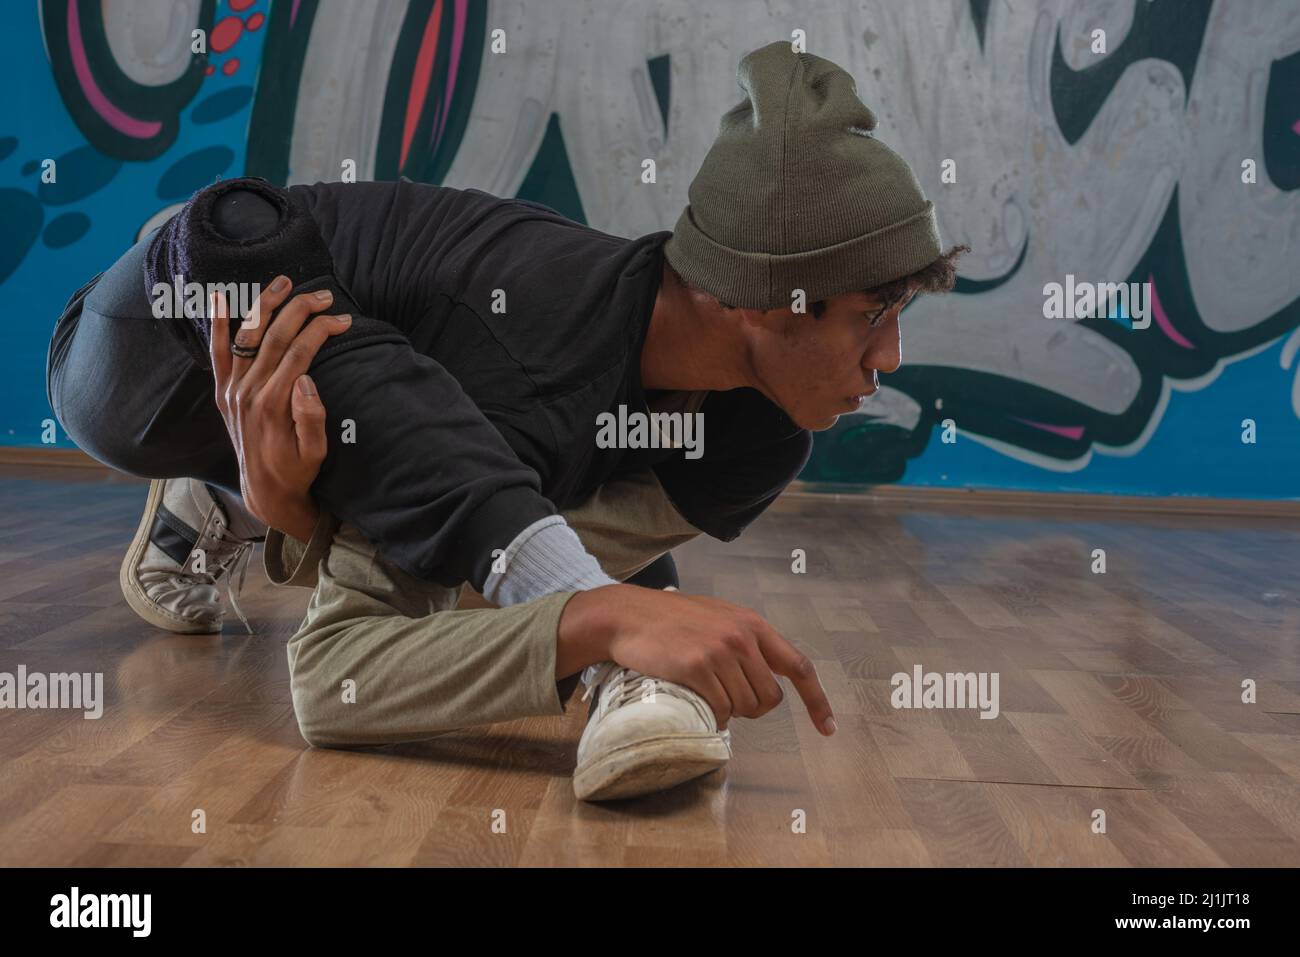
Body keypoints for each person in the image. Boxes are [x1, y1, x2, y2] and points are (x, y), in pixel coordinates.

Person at [46, 42, 966, 800]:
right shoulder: (517, 365)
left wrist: (312, 524)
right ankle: (236, 493)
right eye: (871, 315)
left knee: (467, 511)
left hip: (352, 395)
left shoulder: (761, 432)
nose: (888, 361)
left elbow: (502, 581)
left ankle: (240, 504)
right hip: (143, 356)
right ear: (765, 300)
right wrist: (599, 630)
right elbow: (336, 680)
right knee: (313, 318)